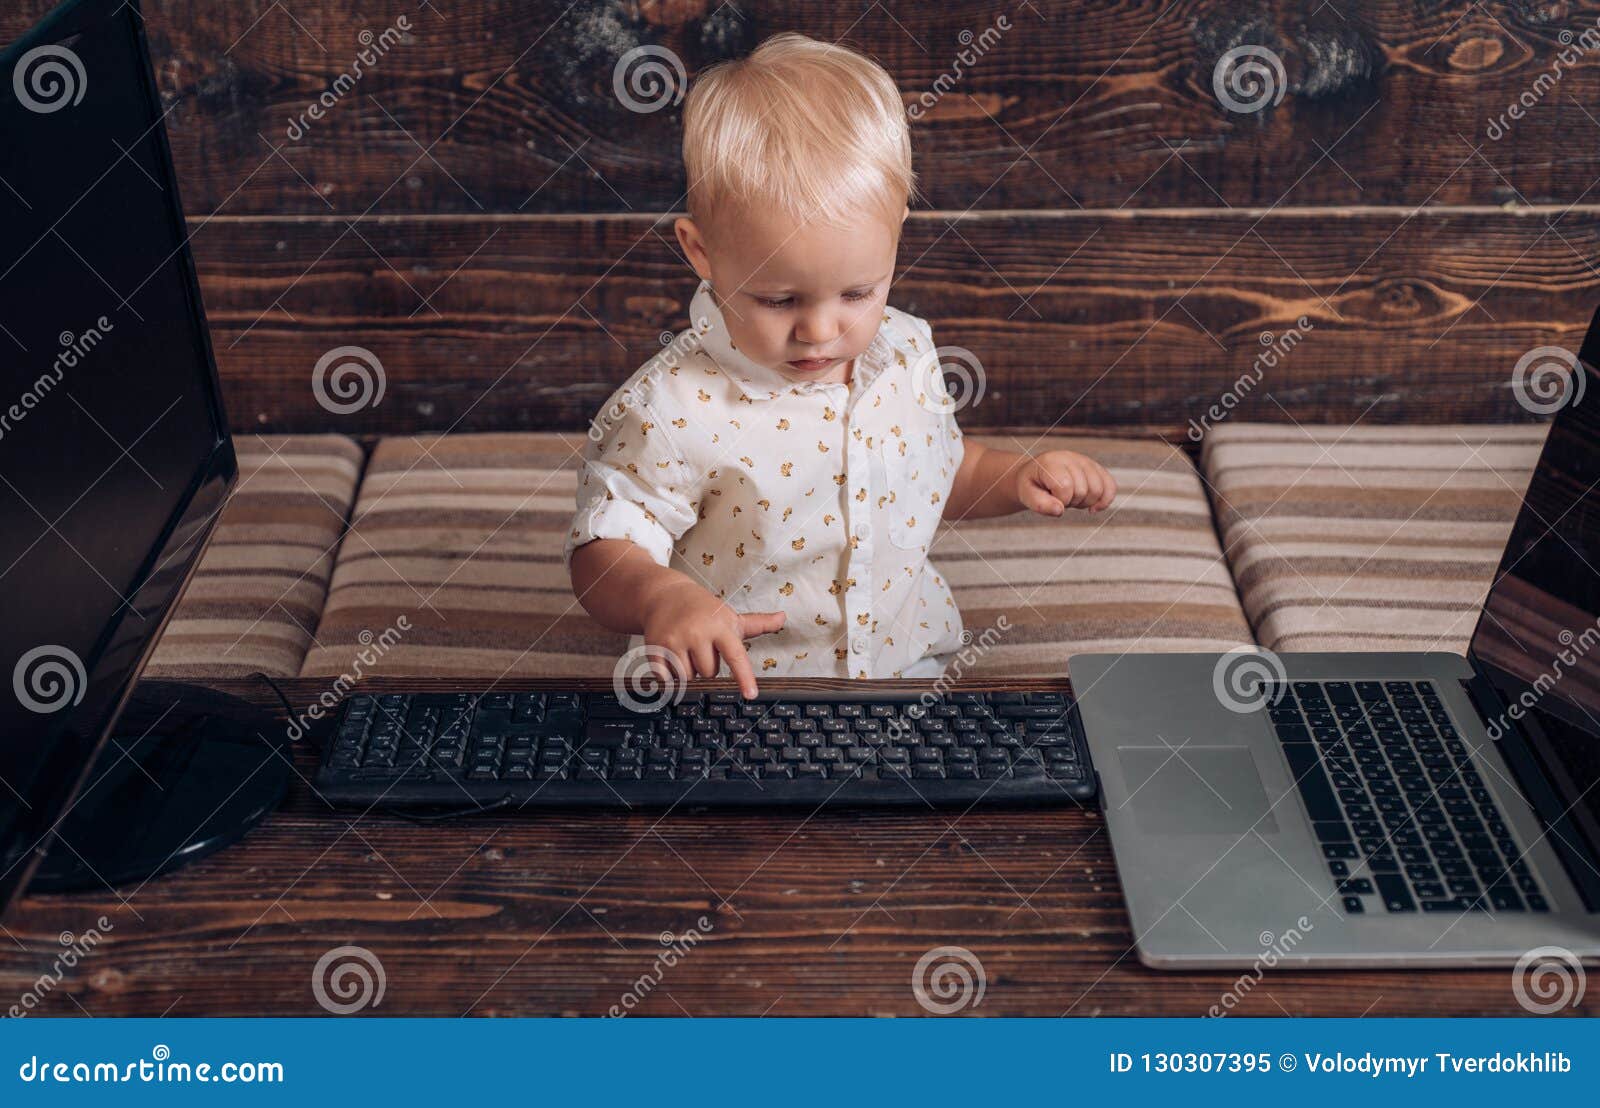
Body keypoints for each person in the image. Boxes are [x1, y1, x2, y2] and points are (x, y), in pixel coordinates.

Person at [567, 33, 1115, 697]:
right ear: (701, 250)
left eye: (857, 293)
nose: (819, 331)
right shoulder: (670, 407)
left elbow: (942, 474)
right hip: (736, 692)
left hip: (908, 675)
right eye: (779, 298)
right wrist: (660, 598)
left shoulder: (907, 351)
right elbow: (603, 550)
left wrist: (1020, 475)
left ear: (895, 235)